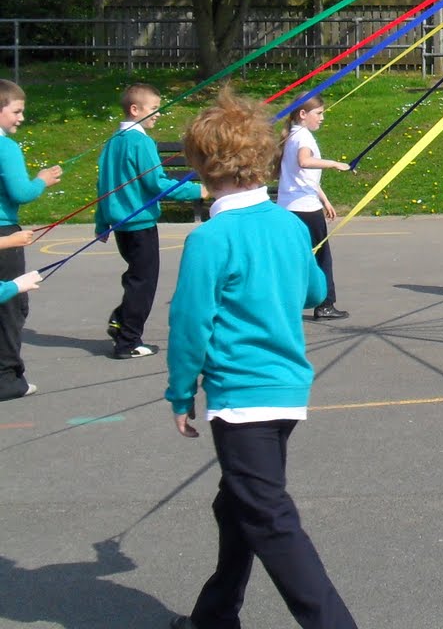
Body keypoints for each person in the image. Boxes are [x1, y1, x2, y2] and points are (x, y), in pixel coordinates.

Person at [165, 89, 357, 629]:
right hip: (285, 393)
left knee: (269, 518)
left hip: (243, 397)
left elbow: (188, 326)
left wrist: (180, 393)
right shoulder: (289, 226)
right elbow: (314, 291)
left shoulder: (210, 238)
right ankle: (214, 616)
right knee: (238, 506)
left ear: (203, 165)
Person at [97, 82, 204, 359]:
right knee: (143, 283)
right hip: (140, 224)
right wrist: (197, 190)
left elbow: (102, 186)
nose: (158, 114)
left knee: (136, 277)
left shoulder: (112, 142)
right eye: (154, 109)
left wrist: (102, 222)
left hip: (122, 225)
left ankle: (121, 321)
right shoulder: (140, 141)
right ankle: (128, 342)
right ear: (135, 110)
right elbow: (156, 182)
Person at [0, 79, 62, 401]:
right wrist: (42, 180)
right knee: (11, 305)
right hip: (4, 234)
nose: (21, 118)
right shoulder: (6, 147)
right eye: (17, 111)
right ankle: (8, 378)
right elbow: (20, 193)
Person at [278, 95, 352, 321]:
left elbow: (303, 177)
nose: (322, 117)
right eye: (318, 113)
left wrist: (324, 199)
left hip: (289, 206)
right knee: (321, 257)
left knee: (294, 257)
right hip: (305, 210)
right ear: (303, 114)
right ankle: (325, 304)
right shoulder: (303, 138)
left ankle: (285, 305)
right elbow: (304, 162)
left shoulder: (292, 135)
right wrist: (334, 163)